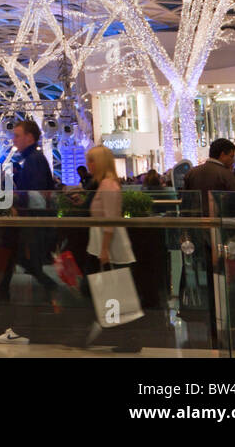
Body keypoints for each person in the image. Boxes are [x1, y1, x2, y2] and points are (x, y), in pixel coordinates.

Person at [0, 119, 59, 345]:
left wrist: (18, 206)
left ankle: (26, 322)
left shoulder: (34, 160)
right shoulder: (31, 159)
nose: (14, 139)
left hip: (32, 225)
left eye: (18, 135)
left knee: (27, 262)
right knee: (22, 261)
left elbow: (35, 194)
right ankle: (21, 320)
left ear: (30, 137)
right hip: (31, 225)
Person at [82, 144, 141, 353]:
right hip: (102, 246)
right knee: (113, 292)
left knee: (115, 293)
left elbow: (111, 221)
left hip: (109, 248)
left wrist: (105, 250)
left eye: (91, 160)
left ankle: (125, 336)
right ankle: (119, 334)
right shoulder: (104, 184)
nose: (87, 164)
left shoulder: (108, 185)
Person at [183, 138, 235, 210]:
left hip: (195, 218)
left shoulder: (192, 172)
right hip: (219, 218)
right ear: (222, 155)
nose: (233, 160)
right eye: (231, 156)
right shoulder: (226, 174)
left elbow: (186, 199)